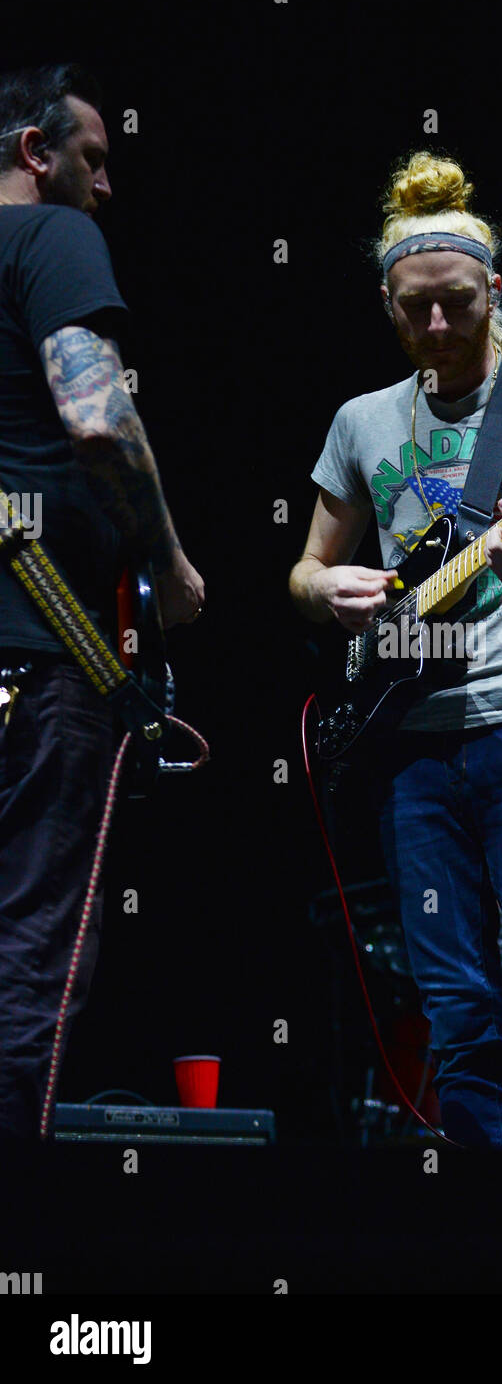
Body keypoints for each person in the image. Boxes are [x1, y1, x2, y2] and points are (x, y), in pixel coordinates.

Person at [291, 150, 502, 1148]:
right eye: (411, 309)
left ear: (494, 291)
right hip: (408, 748)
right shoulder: (360, 421)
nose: (435, 326)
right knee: (456, 1017)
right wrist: (328, 590)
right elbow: (305, 574)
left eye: (456, 302)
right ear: (387, 305)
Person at [0, 64, 204, 1139]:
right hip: (32, 661)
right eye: (92, 158)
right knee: (31, 952)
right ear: (36, 152)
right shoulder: (52, 239)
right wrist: (166, 563)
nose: (105, 186)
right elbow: (95, 416)